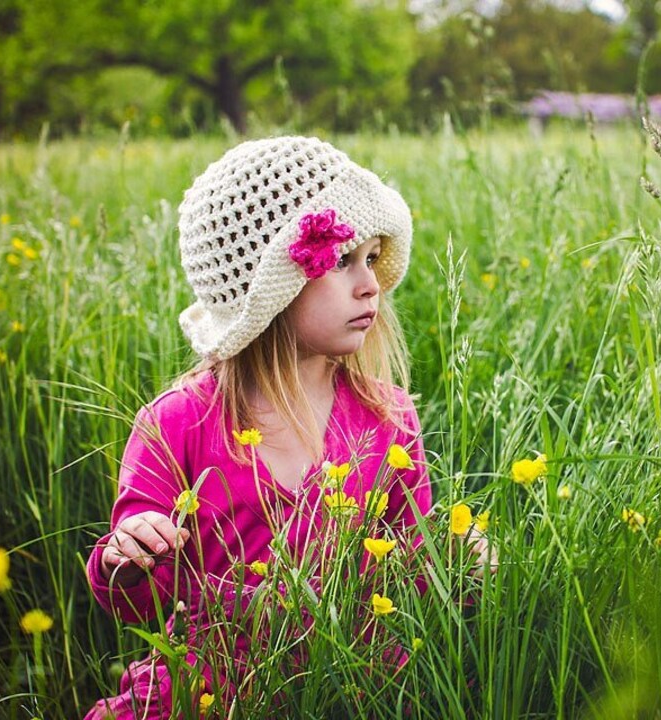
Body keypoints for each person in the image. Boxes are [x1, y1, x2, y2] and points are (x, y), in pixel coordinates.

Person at [83, 137, 493, 718]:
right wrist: (130, 554)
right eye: (342, 262)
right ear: (265, 288)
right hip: (215, 685)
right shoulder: (178, 421)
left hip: (358, 678)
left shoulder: (387, 416)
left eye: (371, 259)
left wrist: (453, 560)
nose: (370, 283)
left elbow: (408, 566)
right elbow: (139, 603)